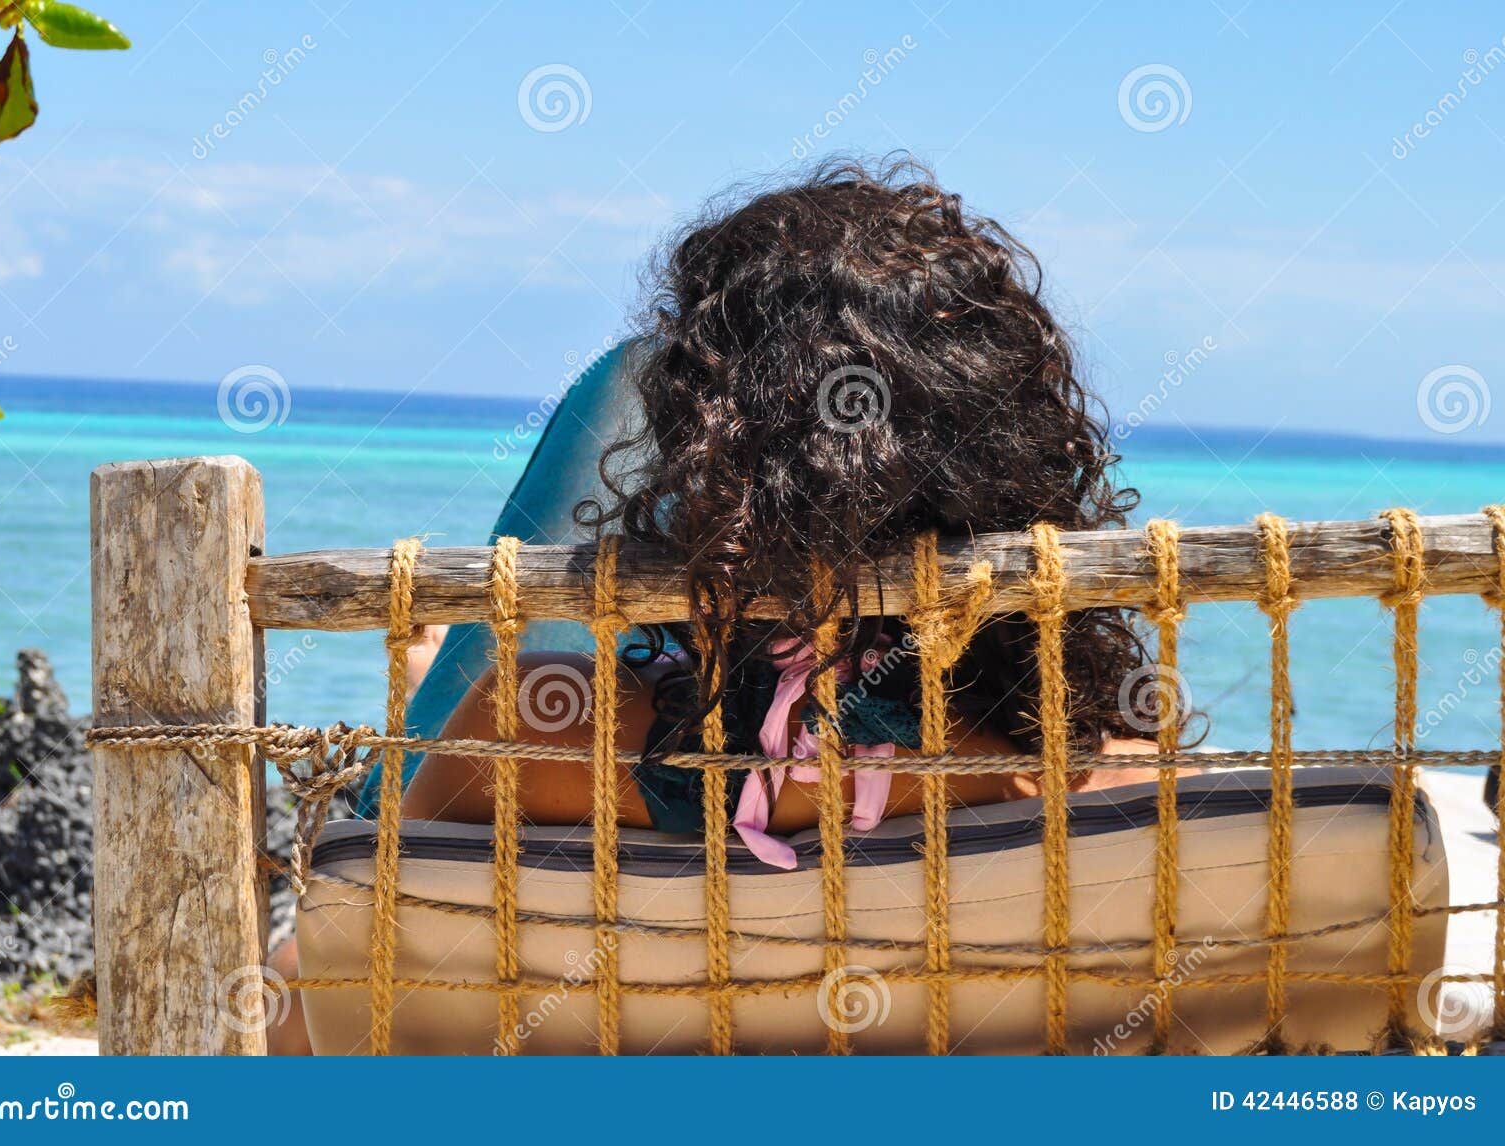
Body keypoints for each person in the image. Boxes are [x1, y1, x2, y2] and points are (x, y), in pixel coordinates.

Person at [400, 157, 1174, 861]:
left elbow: (384, 924)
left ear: (722, 465)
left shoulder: (532, 729)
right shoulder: (1101, 782)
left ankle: (422, 686)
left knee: (614, 380)